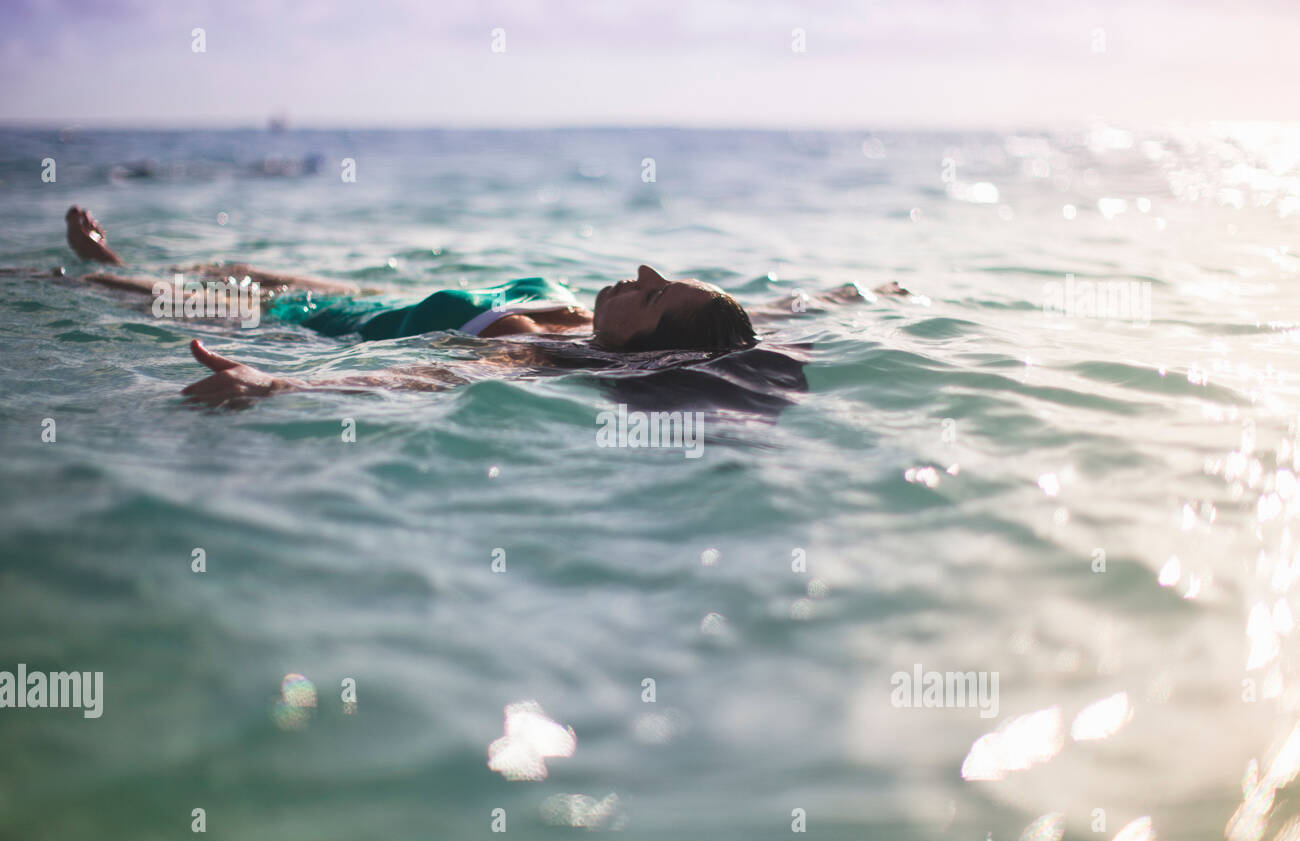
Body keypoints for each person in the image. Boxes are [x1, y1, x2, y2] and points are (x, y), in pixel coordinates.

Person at [55, 205, 910, 407]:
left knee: (164, 295)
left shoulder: (540, 351)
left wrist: (284, 389)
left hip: (339, 323)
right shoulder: (660, 329)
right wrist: (858, 292)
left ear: (642, 345)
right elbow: (773, 315)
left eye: (651, 293)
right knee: (245, 261)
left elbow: (422, 376)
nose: (642, 269)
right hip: (398, 292)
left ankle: (106, 272)